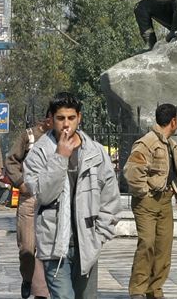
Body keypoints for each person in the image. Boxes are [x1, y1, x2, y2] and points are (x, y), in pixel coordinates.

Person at [24, 92, 119, 299]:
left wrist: (100, 234)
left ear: (79, 118)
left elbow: (110, 196)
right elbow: (43, 195)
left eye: (71, 118)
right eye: (60, 118)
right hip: (55, 244)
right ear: (51, 119)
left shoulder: (95, 152)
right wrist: (60, 157)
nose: (66, 124)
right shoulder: (39, 153)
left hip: (87, 243)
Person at [123, 103, 177, 299]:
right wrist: (144, 192)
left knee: (163, 248)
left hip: (164, 202)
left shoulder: (171, 145)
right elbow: (133, 172)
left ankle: (154, 289)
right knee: (147, 244)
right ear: (173, 121)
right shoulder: (147, 142)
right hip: (147, 202)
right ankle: (138, 289)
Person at [4, 113, 52, 299]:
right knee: (27, 248)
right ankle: (27, 278)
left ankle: (42, 290)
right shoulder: (29, 136)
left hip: (50, 199)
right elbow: (11, 160)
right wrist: (20, 182)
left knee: (46, 249)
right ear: (47, 119)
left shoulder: (62, 138)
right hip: (29, 198)